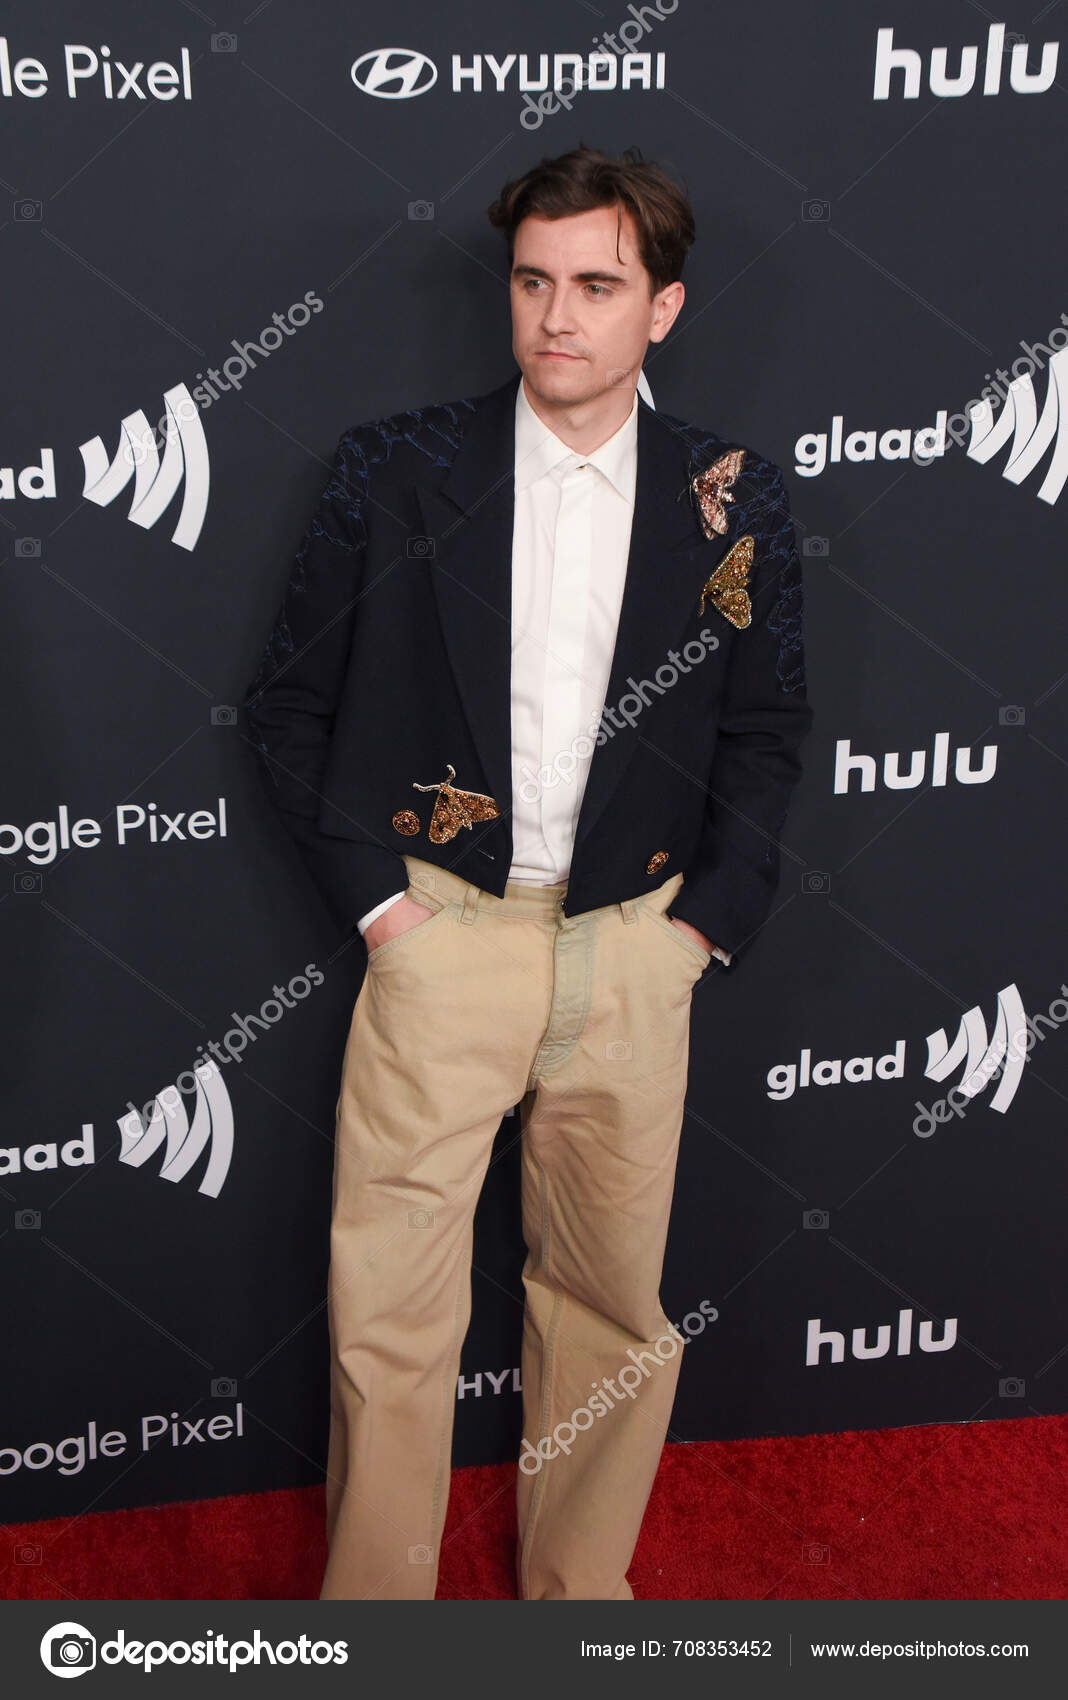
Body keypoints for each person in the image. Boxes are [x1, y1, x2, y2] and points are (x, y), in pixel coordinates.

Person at [243, 143, 813, 1601]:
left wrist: (700, 935)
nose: (558, 317)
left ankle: (579, 1612)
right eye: (534, 282)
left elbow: (763, 728)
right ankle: (378, 1627)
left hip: (635, 953)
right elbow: (289, 708)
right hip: (440, 943)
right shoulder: (393, 468)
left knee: (611, 1311)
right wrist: (386, 911)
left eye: (597, 287)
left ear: (662, 312)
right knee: (389, 1318)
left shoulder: (732, 491)